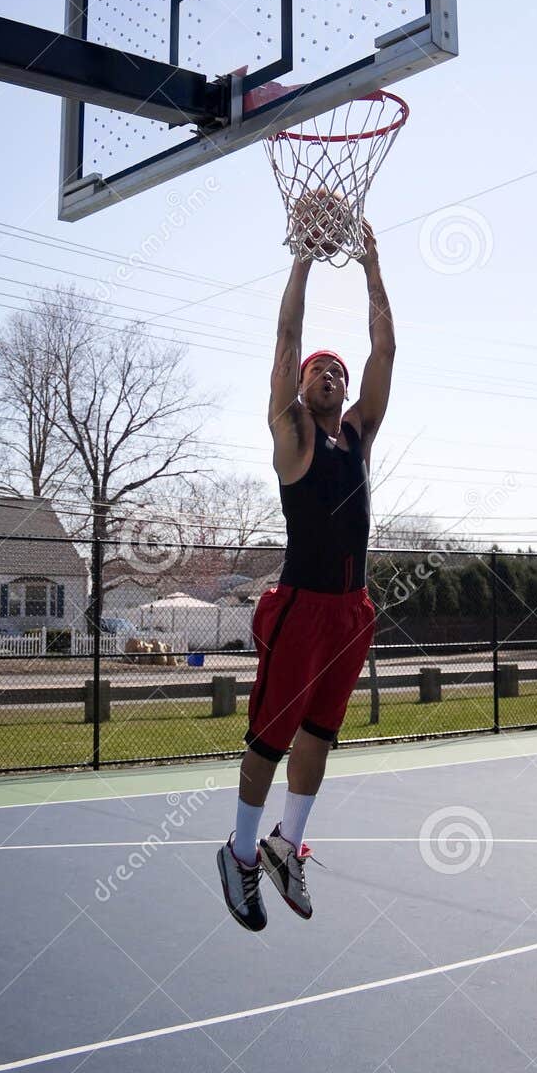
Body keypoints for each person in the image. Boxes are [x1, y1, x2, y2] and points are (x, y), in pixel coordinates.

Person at [217, 222, 395, 931]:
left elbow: (385, 349)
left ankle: (285, 844)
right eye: (321, 370)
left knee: (320, 734)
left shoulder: (357, 435)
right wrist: (302, 261)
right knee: (271, 736)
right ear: (300, 384)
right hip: (300, 606)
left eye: (339, 373)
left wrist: (371, 264)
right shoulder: (291, 434)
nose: (332, 376)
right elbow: (286, 339)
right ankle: (238, 852)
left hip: (350, 611)